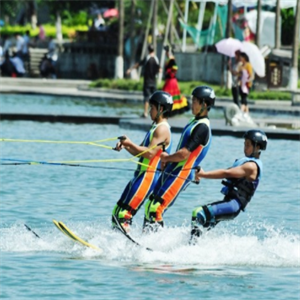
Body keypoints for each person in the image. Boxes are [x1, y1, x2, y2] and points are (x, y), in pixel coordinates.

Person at [143, 86, 215, 231]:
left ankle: (156, 243)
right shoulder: (194, 121)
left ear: (204, 105)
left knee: (157, 208)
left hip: (181, 174)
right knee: (150, 203)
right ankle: (145, 238)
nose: (191, 103)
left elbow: (184, 154)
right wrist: (168, 161)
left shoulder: (203, 127)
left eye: (194, 101)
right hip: (172, 170)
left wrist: (167, 158)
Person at [112, 91, 173, 232]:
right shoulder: (155, 127)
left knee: (123, 215)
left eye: (152, 107)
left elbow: (150, 153)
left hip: (148, 178)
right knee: (117, 211)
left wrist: (130, 143)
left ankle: (125, 247)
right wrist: (125, 145)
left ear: (161, 109)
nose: (149, 110)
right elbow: (139, 151)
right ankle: (113, 244)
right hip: (139, 176)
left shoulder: (162, 129)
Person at [190, 129, 267, 241]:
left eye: (248, 145)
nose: (245, 147)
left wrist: (203, 174)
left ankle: (191, 249)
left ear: (258, 147)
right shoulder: (246, 163)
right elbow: (226, 172)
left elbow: (226, 173)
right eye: (244, 144)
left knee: (198, 213)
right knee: (204, 229)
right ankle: (198, 250)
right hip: (229, 203)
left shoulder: (251, 167)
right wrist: (201, 174)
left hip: (232, 205)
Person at [126, 44, 161, 118]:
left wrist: (130, 69)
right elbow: (160, 70)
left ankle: (145, 113)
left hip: (147, 81)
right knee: (155, 98)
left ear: (148, 50)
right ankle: (157, 113)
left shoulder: (147, 58)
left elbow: (138, 64)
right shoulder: (156, 59)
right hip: (153, 81)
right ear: (153, 50)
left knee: (146, 97)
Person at [162, 45, 189, 116]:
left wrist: (169, 71)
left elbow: (175, 68)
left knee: (166, 95)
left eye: (167, 52)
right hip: (170, 80)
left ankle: (168, 110)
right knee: (169, 96)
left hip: (171, 81)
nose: (166, 53)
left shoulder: (171, 60)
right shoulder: (169, 60)